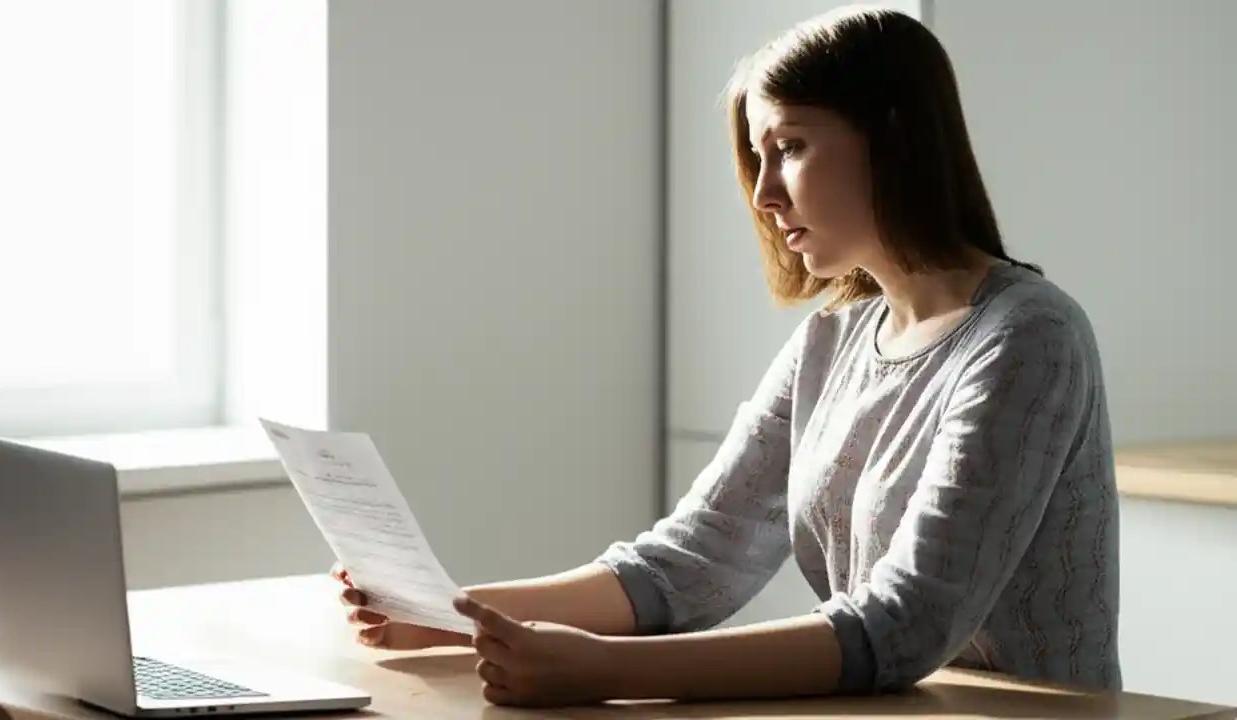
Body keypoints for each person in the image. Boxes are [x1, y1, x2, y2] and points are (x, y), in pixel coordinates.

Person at [337, 5, 1120, 708]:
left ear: (893, 136)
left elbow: (908, 623)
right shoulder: (832, 339)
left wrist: (605, 671)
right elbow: (693, 560)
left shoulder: (1028, 337)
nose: (764, 194)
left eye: (791, 147)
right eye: (759, 155)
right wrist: (444, 614)